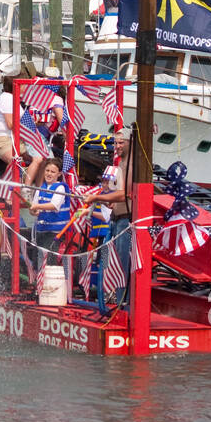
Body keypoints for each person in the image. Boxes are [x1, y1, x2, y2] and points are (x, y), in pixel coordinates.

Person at [89, 129, 133, 303]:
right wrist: (111, 203)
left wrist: (97, 197)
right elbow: (121, 196)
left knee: (123, 266)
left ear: (131, 142)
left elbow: (125, 194)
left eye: (121, 142)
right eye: (115, 143)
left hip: (126, 221)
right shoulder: (121, 163)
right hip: (117, 220)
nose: (117, 146)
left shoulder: (131, 164)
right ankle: (119, 301)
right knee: (115, 265)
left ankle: (125, 304)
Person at [28, 158, 71, 266]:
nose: (49, 174)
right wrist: (33, 211)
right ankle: (39, 281)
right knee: (38, 259)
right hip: (41, 230)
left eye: (52, 172)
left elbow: (54, 206)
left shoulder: (60, 188)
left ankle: (49, 282)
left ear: (59, 174)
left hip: (55, 232)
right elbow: (35, 210)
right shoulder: (41, 188)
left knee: (49, 261)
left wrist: (36, 206)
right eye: (47, 171)